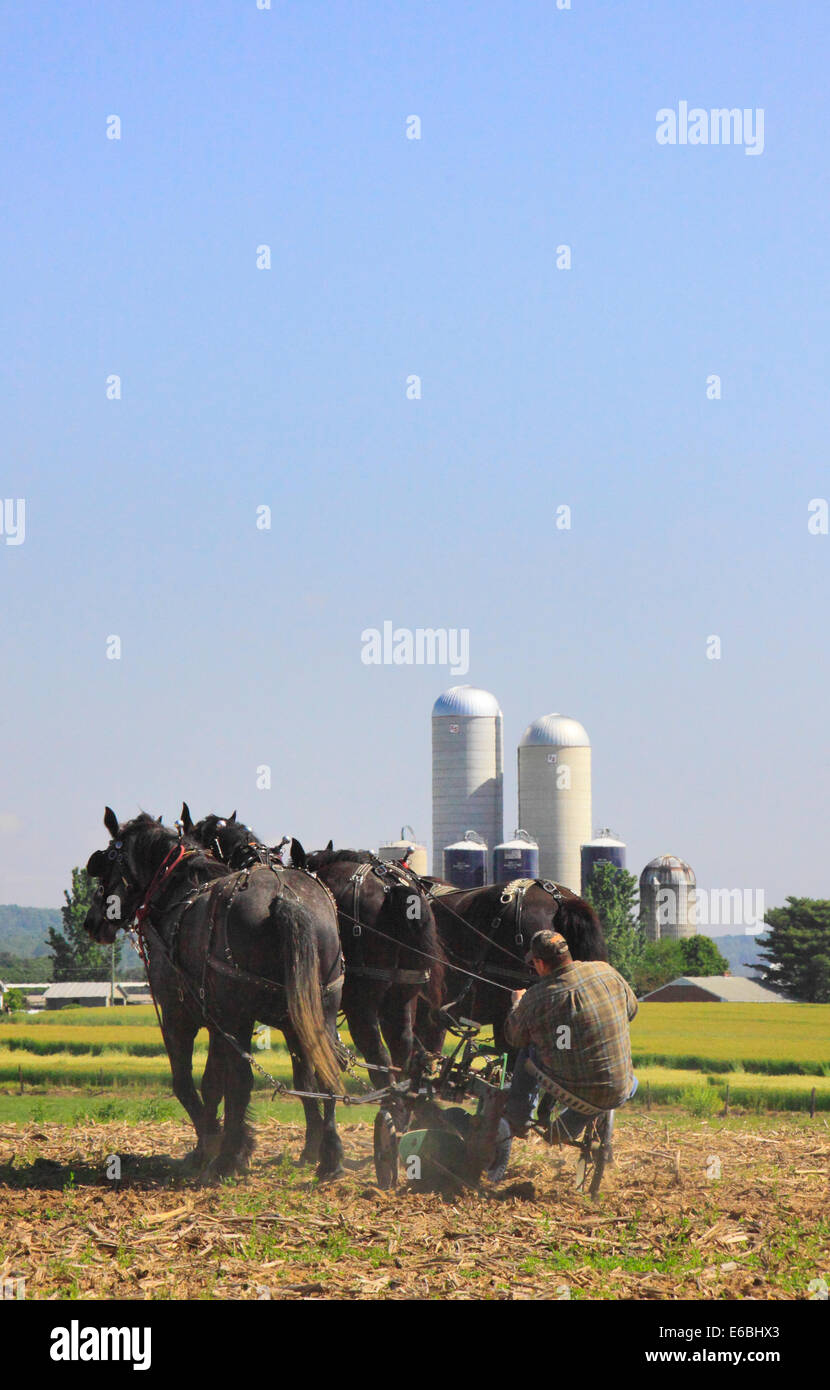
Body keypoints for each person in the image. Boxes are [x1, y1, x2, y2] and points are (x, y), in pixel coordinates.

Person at [503, 929, 639, 1139]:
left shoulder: (536, 997)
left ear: (539, 963)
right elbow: (631, 1011)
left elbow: (514, 1037)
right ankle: (571, 1124)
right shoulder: (606, 971)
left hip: (569, 1090)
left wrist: (517, 1003)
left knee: (529, 1049)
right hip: (621, 1089)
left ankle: (518, 1117)